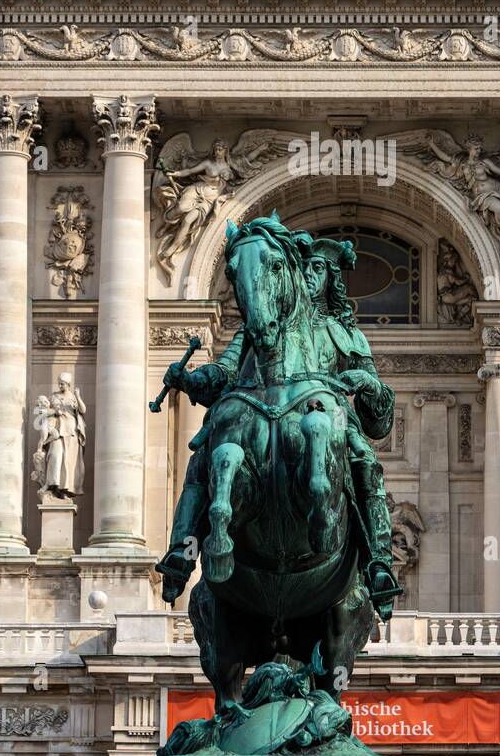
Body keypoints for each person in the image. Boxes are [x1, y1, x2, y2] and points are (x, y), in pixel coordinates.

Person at [156, 225, 400, 616]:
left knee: (366, 463)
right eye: (303, 267)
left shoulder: (345, 335)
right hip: (256, 413)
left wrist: (369, 386)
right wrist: (189, 379)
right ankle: (182, 551)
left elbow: (379, 423)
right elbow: (221, 375)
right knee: (205, 459)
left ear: (331, 279)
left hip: (330, 420)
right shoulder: (256, 330)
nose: (308, 274)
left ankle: (379, 565)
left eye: (318, 269)